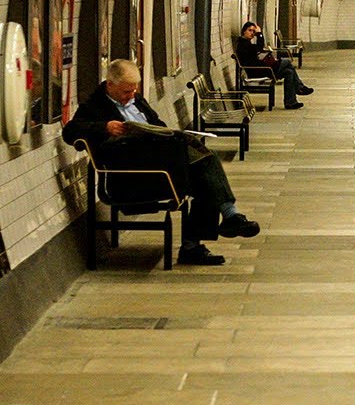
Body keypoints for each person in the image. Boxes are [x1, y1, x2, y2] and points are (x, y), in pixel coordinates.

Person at [63, 59, 259, 265]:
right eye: (125, 92)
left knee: (203, 171)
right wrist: (104, 127)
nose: (130, 96)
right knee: (205, 169)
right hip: (133, 175)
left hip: (163, 165)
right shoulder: (93, 106)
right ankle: (219, 224)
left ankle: (216, 228)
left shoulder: (137, 100)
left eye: (133, 91)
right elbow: (70, 132)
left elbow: (160, 125)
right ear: (109, 85)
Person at [235, 21, 312, 110]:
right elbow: (259, 48)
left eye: (253, 31)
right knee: (287, 62)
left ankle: (290, 102)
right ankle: (299, 87)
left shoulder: (246, 43)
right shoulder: (243, 44)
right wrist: (259, 34)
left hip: (262, 69)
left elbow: (256, 52)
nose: (252, 33)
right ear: (243, 31)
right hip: (258, 71)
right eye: (250, 30)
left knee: (289, 72)